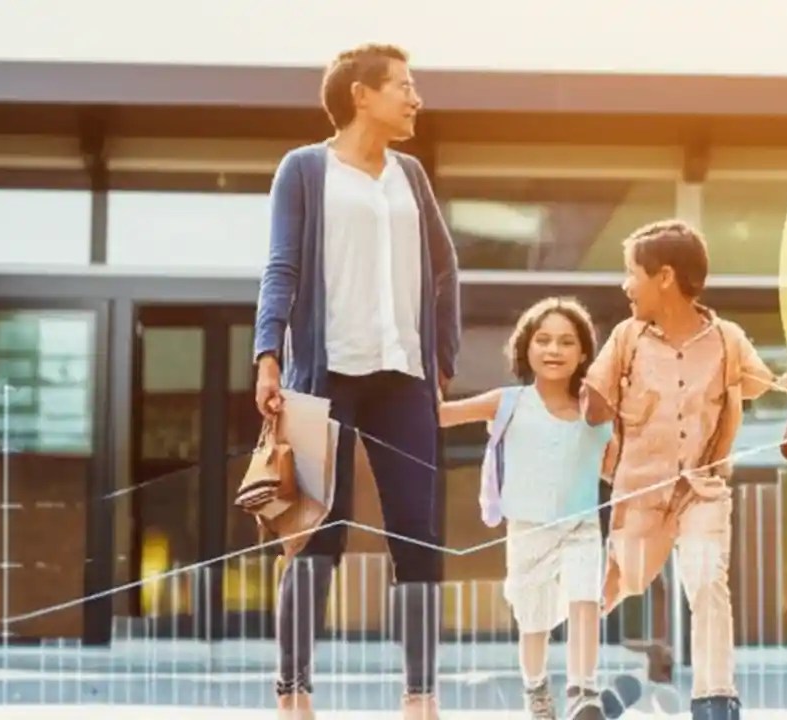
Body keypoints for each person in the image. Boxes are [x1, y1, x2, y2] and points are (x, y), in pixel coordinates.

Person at [253, 43, 461, 720]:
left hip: (403, 377)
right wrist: (268, 354)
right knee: (317, 532)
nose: (415, 97)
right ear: (361, 95)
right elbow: (281, 267)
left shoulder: (411, 176)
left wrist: (441, 362)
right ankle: (294, 692)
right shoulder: (305, 170)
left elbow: (444, 269)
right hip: (326, 375)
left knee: (417, 533)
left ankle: (421, 695)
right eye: (403, 85)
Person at [582, 219, 787, 720]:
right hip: (639, 493)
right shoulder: (626, 339)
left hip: (701, 488)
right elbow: (591, 407)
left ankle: (715, 699)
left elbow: (767, 384)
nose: (624, 285)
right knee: (625, 584)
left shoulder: (727, 340)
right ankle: (607, 686)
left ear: (665, 278)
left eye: (631, 273)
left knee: (705, 581)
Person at [440, 297, 629, 720]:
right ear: (526, 347)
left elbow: (617, 468)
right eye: (543, 340)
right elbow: (439, 415)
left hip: (581, 526)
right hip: (527, 530)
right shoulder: (508, 401)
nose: (553, 350)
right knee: (534, 621)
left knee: (585, 601)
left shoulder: (595, 410)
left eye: (566, 342)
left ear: (583, 353)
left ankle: (584, 691)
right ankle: (536, 690)